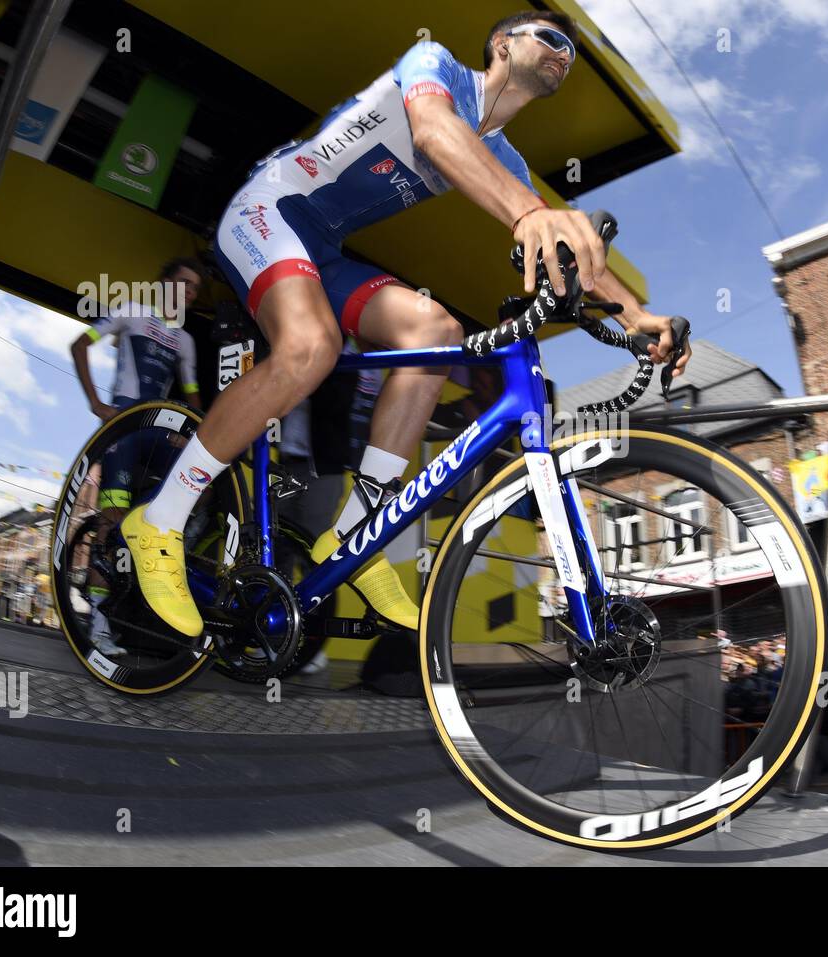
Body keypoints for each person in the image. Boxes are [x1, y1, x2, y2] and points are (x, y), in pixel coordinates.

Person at [117, 14, 691, 638]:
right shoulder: (436, 67)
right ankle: (159, 519)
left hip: (321, 248)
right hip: (266, 210)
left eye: (573, 51)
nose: (565, 53)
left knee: (435, 331)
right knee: (311, 346)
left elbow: (561, 246)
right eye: (551, 39)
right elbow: (435, 132)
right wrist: (529, 213)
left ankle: (357, 533)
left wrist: (639, 318)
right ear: (503, 45)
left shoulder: (501, 156)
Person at [68, 257, 205, 655]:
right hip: (124, 430)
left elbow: (193, 394)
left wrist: (200, 431)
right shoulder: (132, 311)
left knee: (196, 488)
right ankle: (97, 625)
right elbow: (80, 344)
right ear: (163, 284)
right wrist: (96, 403)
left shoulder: (186, 340)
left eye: (195, 289)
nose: (190, 293)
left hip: (159, 434)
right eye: (184, 283)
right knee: (112, 522)